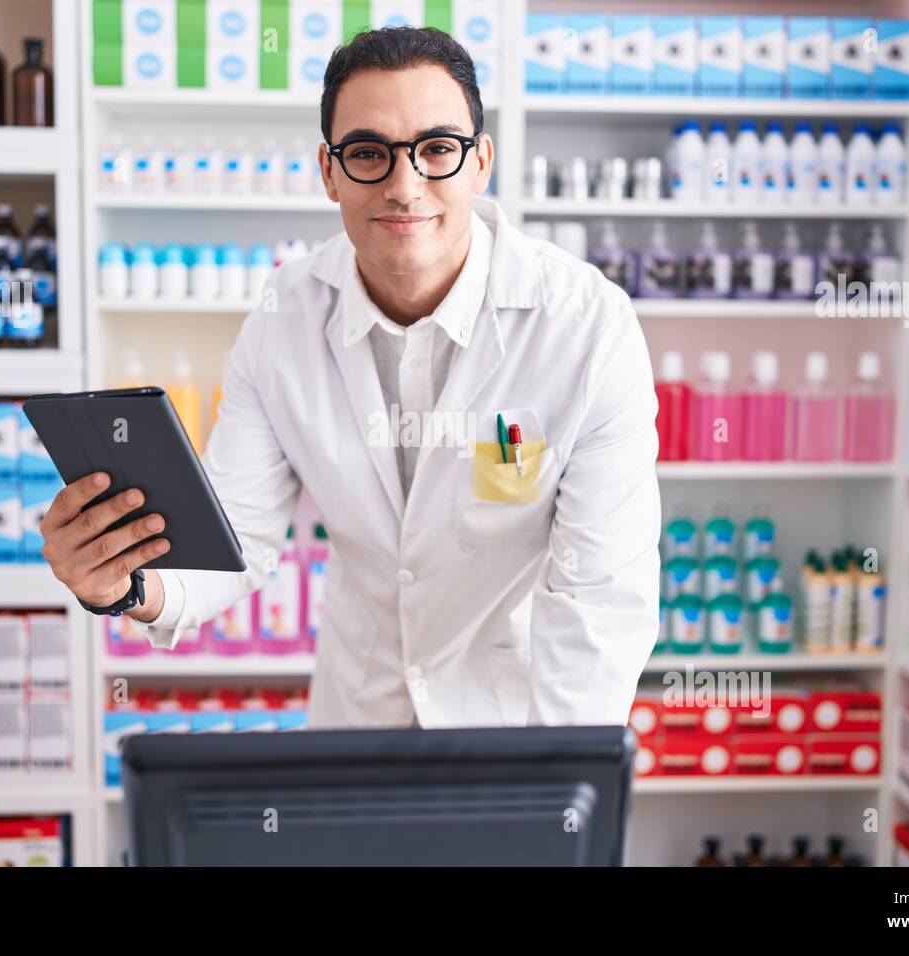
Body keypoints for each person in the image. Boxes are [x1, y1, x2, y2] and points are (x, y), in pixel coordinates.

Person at [40, 27, 661, 728]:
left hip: (521, 723)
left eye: (436, 149)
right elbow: (236, 538)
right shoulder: (284, 318)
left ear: (480, 162)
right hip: (357, 718)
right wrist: (124, 584)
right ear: (329, 171)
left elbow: (602, 598)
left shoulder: (584, 326)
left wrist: (556, 786)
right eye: (369, 153)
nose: (404, 186)